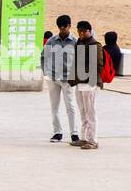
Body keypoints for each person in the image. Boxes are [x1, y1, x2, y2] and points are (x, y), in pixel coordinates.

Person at [41, 14, 80, 143]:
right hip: (53, 78)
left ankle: (74, 133)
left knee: (70, 106)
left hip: (68, 79)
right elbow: (43, 57)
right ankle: (57, 132)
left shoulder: (75, 41)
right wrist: (46, 71)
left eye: (65, 28)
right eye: (60, 28)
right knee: (54, 106)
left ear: (69, 26)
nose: (62, 30)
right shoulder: (52, 41)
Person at [72, 20, 103, 150]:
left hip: (89, 83)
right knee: (83, 111)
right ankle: (84, 137)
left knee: (90, 112)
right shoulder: (79, 43)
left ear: (89, 31)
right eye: (79, 31)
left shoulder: (95, 45)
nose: (81, 34)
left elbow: (98, 65)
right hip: (80, 82)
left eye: (83, 31)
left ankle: (93, 140)